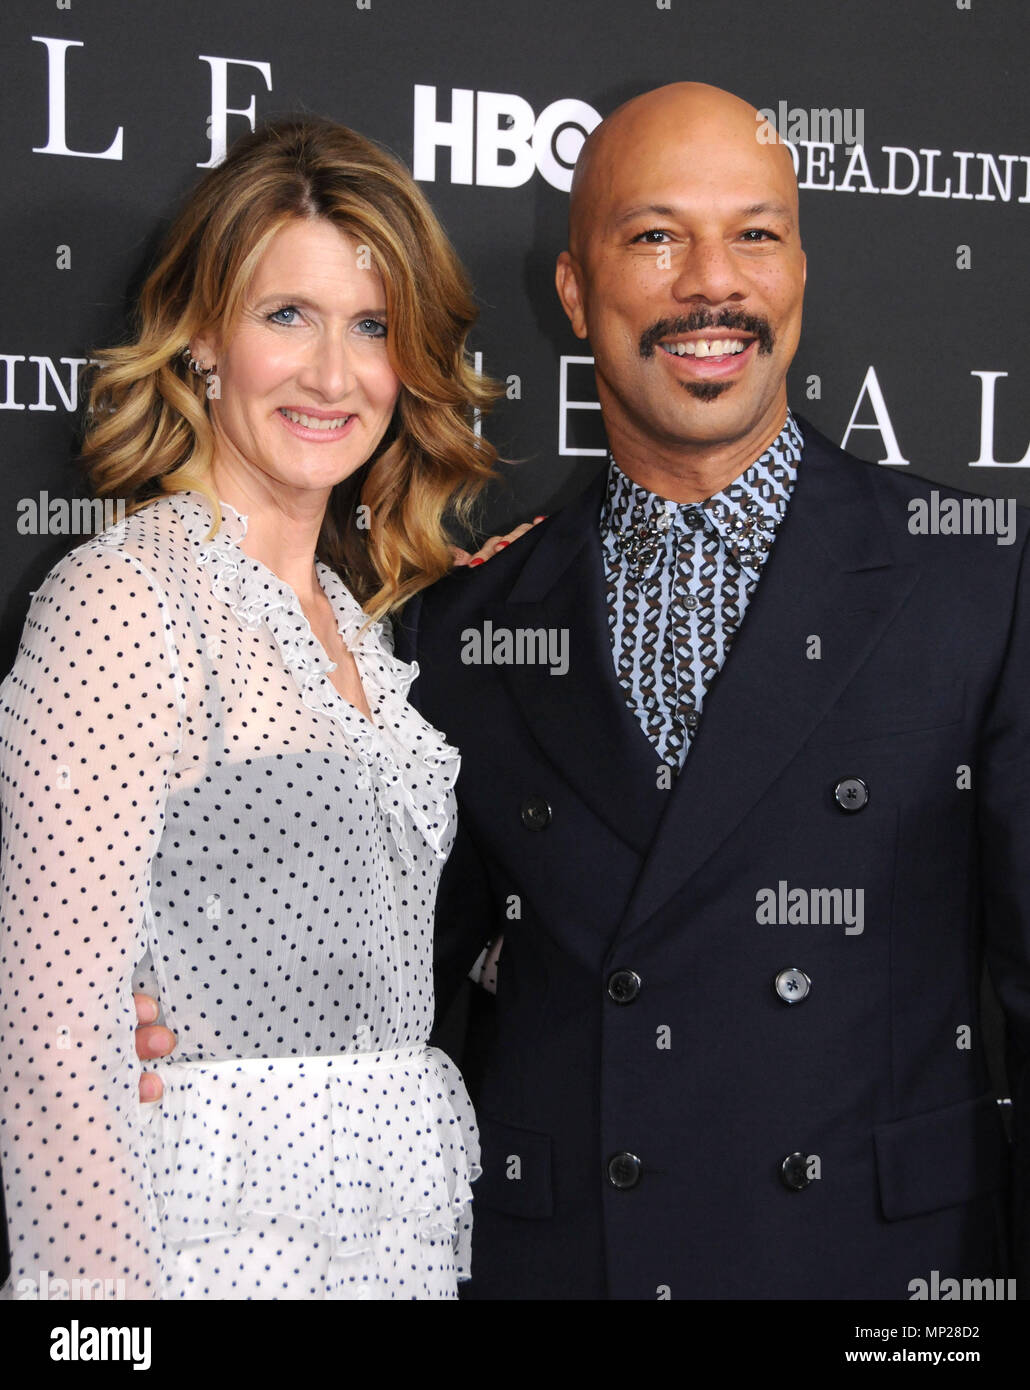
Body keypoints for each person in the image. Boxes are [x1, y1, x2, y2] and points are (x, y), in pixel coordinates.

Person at [136, 82, 1030, 1300]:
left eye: (754, 234)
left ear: (801, 273)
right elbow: (389, 985)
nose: (711, 283)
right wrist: (181, 1021)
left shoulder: (971, 574)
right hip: (562, 1266)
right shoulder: (461, 627)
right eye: (654, 236)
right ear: (573, 291)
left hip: (875, 1280)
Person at [0, 114, 499, 1300]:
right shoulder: (126, 599)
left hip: (390, 1243)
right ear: (204, 340)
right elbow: (57, 1048)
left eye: (371, 327)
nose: (335, 375)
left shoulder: (357, 621)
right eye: (289, 316)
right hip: (201, 1249)